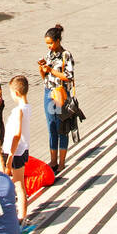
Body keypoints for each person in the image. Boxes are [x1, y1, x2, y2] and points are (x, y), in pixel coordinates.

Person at [37, 24, 74, 177]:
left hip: (61, 94)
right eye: (47, 44)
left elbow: (69, 76)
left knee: (62, 128)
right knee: (51, 126)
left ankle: (62, 162)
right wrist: (42, 69)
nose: (49, 46)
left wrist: (51, 70)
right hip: (49, 92)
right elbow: (44, 77)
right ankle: (53, 160)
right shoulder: (49, 55)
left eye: (51, 43)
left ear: (58, 41)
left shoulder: (66, 55)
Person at [3, 75, 30, 223]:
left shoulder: (19, 111)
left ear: (17, 93)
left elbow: (17, 134)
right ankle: (21, 214)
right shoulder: (27, 107)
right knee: (19, 184)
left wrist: (10, 157)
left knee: (18, 185)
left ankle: (20, 216)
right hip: (22, 150)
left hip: (15, 152)